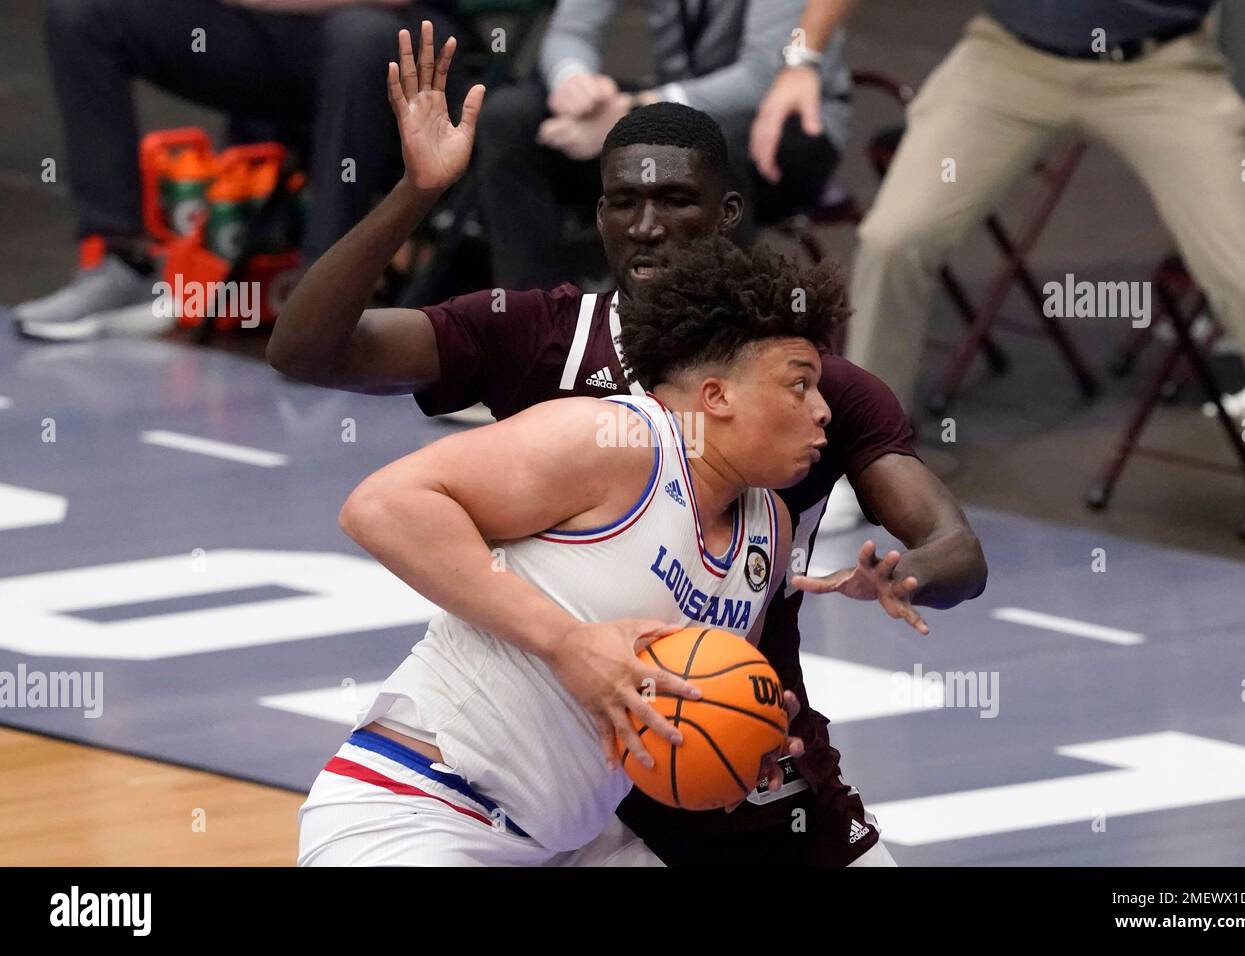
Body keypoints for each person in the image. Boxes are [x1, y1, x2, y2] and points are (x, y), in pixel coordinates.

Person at [271, 23, 987, 866]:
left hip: (691, 731)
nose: (647, 227)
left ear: (726, 213)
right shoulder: (560, 366)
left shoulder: (786, 462)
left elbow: (955, 549)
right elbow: (313, 363)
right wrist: (415, 193)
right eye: (623, 203)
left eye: (675, 202)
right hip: (484, 777)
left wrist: (903, 574)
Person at [298, 233, 832, 865]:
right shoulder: (617, 440)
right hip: (419, 806)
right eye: (800, 386)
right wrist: (567, 642)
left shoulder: (770, 529)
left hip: (570, 845)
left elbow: (680, 705)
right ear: (717, 396)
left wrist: (739, 738)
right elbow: (381, 506)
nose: (823, 410)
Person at [751, 0, 1245, 480]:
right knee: (894, 240)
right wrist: (803, 59)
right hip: (1011, 59)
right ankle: (864, 462)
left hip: (1164, 69)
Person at [3, 0, 464, 341]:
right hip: (272, 31)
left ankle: (322, 301)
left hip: (396, 34)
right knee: (83, 11)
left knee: (360, 37)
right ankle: (122, 263)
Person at [472, 0, 853, 288]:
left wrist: (633, 114)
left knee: (703, 151)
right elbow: (570, 31)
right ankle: (537, 330)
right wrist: (575, 84)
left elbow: (763, 75)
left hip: (787, 123)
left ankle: (702, 349)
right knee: (510, 118)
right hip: (667, 106)